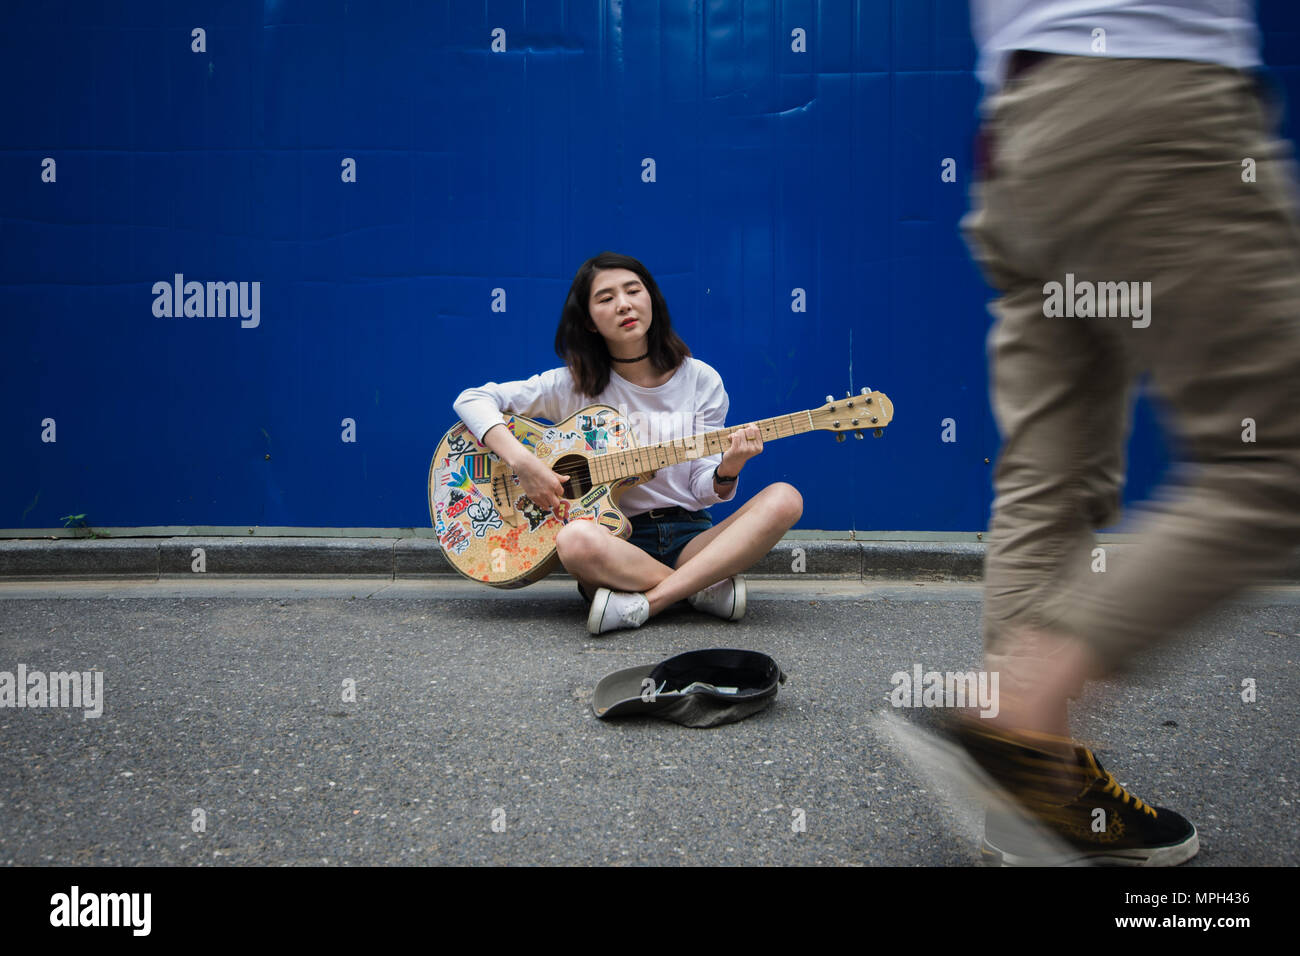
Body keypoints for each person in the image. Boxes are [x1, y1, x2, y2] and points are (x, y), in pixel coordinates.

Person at [956, 0, 1300, 865]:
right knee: (1277, 464)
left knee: (1046, 477)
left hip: (1019, 134)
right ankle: (1019, 713)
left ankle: (1035, 793)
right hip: (1156, 105)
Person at [452, 251, 803, 635]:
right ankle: (702, 586)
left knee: (785, 498)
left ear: (651, 298)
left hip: (692, 538)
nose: (624, 304)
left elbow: (701, 492)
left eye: (633, 290)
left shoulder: (701, 380)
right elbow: (472, 400)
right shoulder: (570, 384)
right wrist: (524, 463)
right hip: (615, 545)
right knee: (573, 540)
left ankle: (651, 601)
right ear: (588, 321)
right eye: (606, 298)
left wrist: (728, 469)